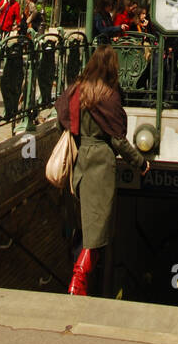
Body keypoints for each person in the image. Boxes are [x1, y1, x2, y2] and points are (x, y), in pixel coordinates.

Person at [55, 45, 150, 295]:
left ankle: (79, 279)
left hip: (78, 161)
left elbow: (61, 119)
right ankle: (78, 281)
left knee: (83, 224)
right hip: (100, 163)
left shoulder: (77, 89)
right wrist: (140, 163)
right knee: (97, 227)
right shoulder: (109, 95)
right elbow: (118, 140)